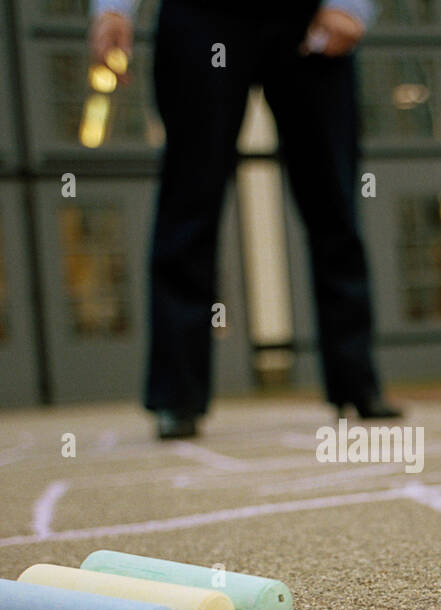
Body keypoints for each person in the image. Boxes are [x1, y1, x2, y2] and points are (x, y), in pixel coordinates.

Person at [89, 0, 402, 439]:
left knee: (334, 205)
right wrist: (113, 9)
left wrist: (352, 4)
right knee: (189, 202)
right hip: (201, 16)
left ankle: (356, 382)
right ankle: (177, 394)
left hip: (310, 18)